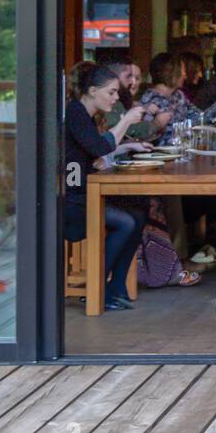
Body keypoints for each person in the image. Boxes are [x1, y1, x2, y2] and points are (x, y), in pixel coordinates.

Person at [64, 63, 151, 311]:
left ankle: (116, 288)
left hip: (84, 194)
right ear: (92, 90)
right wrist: (125, 120)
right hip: (71, 202)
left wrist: (125, 148)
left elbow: (92, 148)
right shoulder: (75, 113)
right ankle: (97, 288)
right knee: (126, 222)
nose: (116, 98)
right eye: (111, 92)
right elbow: (99, 148)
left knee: (139, 209)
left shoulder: (83, 115)